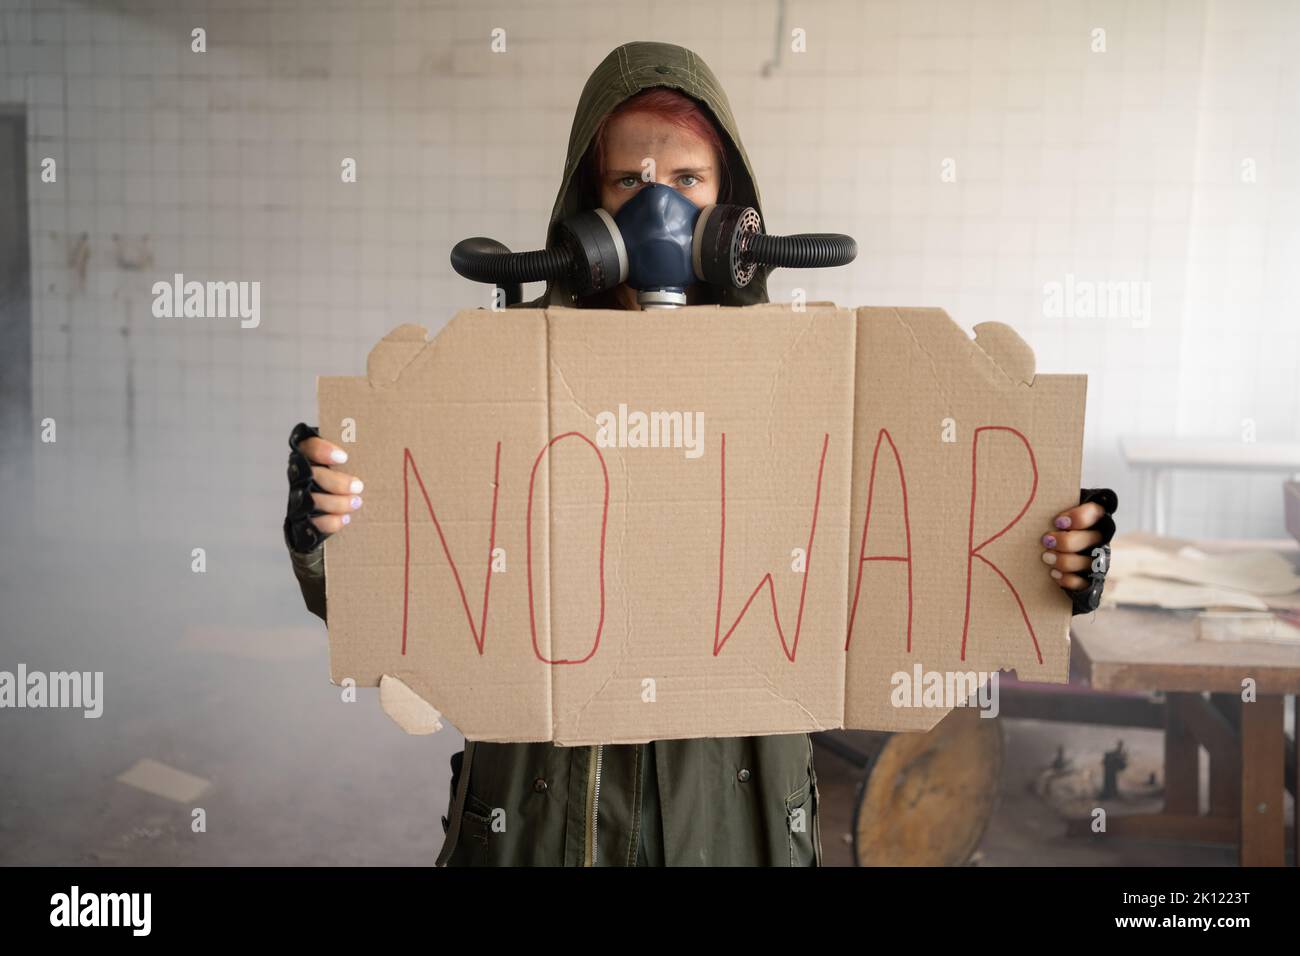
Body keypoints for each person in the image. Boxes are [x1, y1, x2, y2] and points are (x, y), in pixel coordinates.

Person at [282, 41, 1117, 866]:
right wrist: (326, 534)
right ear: (587, 203)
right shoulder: (485, 378)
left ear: (730, 209)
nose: (659, 209)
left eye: (686, 181)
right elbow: (406, 604)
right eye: (629, 181)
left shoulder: (819, 389)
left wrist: (1049, 564)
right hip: (540, 822)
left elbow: (915, 560)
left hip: (735, 821)